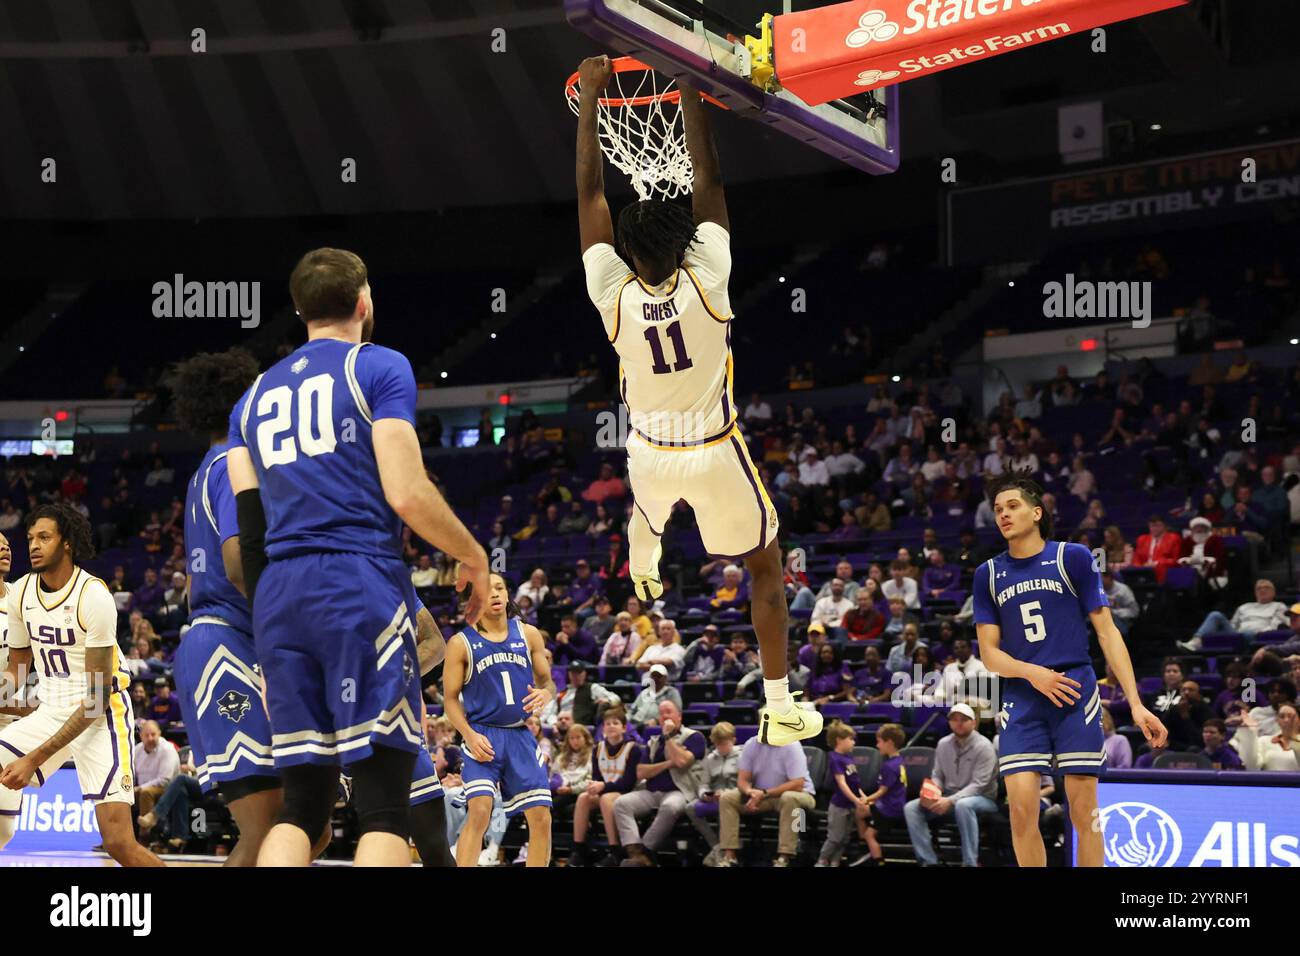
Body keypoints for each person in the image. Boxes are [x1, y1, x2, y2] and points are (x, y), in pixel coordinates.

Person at [576, 54, 819, 748]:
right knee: (764, 564)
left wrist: (593, 97)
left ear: (624, 251)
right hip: (713, 450)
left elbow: (592, 192)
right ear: (685, 243)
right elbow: (708, 181)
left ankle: (645, 559)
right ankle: (777, 705)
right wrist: (691, 93)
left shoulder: (611, 293)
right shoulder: (709, 275)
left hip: (649, 449)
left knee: (650, 511)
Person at [225, 248, 490, 867]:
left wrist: (266, 635)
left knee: (302, 807)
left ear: (299, 311)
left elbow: (251, 534)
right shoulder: (378, 367)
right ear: (365, 302)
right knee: (383, 808)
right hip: (356, 583)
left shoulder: (251, 399)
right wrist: (473, 556)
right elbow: (406, 492)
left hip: (279, 601)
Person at [973, 474, 1165, 868]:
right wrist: (1033, 674)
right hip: (1023, 694)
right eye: (998, 510)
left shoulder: (1073, 556)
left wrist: (1136, 704)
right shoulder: (988, 574)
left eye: (1013, 506)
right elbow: (990, 655)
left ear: (1037, 512)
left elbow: (1108, 633)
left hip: (1075, 689)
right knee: (1022, 812)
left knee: (1084, 813)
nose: (1004, 515)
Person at [0, 504, 163, 865]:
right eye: (30, 538)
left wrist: (33, 759)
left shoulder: (94, 596)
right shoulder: (21, 593)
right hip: (53, 706)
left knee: (119, 842)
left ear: (68, 543)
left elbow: (94, 700)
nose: (33, 545)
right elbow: (16, 669)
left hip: (102, 713)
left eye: (44, 537)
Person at [442, 573, 555, 867]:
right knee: (479, 811)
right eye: (485, 590)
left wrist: (545, 694)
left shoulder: (529, 634)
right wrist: (467, 734)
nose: (494, 594)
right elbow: (450, 699)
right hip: (483, 736)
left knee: (542, 816)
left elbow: (548, 683)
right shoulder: (460, 643)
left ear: (507, 595)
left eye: (500, 588)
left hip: (519, 735)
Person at [902, 704, 998, 867]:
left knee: (963, 805)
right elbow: (938, 775)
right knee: (911, 808)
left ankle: (970, 862)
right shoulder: (942, 744)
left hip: (982, 799)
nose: (958, 723)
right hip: (948, 796)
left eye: (964, 720)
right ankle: (928, 861)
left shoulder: (985, 747)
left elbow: (978, 785)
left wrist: (950, 801)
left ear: (974, 723)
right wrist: (933, 793)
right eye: (954, 719)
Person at [612, 700, 706, 866]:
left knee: (670, 807)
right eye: (661, 713)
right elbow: (641, 772)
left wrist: (669, 737)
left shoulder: (694, 737)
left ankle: (645, 852)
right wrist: (669, 763)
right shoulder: (654, 741)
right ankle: (634, 852)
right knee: (621, 803)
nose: (664, 716)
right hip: (651, 791)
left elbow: (682, 762)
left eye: (668, 712)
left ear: (679, 716)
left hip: (679, 791)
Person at [714, 733, 817, 867]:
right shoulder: (751, 744)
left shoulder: (791, 745)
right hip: (762, 795)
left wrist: (764, 793)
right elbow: (742, 779)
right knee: (728, 798)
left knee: (789, 798)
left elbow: (797, 784)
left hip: (800, 794)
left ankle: (784, 857)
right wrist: (749, 792)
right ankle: (730, 856)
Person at [570, 708, 642, 867]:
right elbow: (597, 776)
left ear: (624, 727)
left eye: (615, 723)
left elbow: (628, 783)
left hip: (629, 792)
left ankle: (615, 851)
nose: (610, 726)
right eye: (607, 723)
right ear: (603, 728)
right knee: (583, 798)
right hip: (607, 790)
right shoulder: (598, 748)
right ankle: (579, 850)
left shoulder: (633, 748)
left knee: (605, 799)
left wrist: (603, 786)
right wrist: (594, 785)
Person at [1179, 579, 1288, 652]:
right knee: (1215, 615)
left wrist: (1260, 632)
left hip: (1258, 636)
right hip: (1237, 634)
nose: (1262, 590)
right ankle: (1195, 643)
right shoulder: (1245, 606)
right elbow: (1233, 625)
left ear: (1273, 592)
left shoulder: (1279, 606)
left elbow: (1274, 626)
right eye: (1259, 588)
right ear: (1255, 593)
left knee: (1248, 633)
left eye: (1266, 588)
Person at [816, 720, 870, 867]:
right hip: (839, 805)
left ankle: (835, 861)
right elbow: (842, 783)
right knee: (835, 837)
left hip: (850, 804)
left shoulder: (848, 757)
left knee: (845, 838)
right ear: (839, 740)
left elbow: (854, 782)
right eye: (850, 739)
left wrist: (862, 796)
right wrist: (856, 800)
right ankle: (822, 860)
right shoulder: (835, 758)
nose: (853, 742)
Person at [853, 723, 908, 866]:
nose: (877, 745)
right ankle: (864, 846)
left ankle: (877, 859)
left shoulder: (889, 766)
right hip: (891, 804)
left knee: (869, 834)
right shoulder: (899, 761)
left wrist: (867, 799)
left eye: (879, 742)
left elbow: (883, 791)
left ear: (889, 742)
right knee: (859, 812)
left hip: (888, 810)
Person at [688, 722, 740, 866]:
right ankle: (717, 846)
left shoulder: (742, 756)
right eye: (718, 744)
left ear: (733, 740)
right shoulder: (710, 758)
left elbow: (745, 784)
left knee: (725, 806)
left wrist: (725, 793)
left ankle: (724, 850)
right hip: (714, 797)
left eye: (724, 743)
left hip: (734, 797)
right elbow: (703, 783)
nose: (721, 748)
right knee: (690, 808)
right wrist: (704, 794)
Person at [1229, 703, 1300, 771]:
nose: (1286, 720)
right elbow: (1251, 766)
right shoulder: (1264, 741)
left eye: (1291, 716)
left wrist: (1295, 739)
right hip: (1270, 782)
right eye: (1282, 716)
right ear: (1277, 720)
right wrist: (1248, 731)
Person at [628, 664, 682, 729]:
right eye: (653, 676)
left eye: (659, 676)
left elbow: (676, 713)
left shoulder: (671, 692)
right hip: (636, 724)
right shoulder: (645, 692)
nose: (655, 679)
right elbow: (632, 710)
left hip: (654, 726)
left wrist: (657, 721)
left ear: (665, 678)